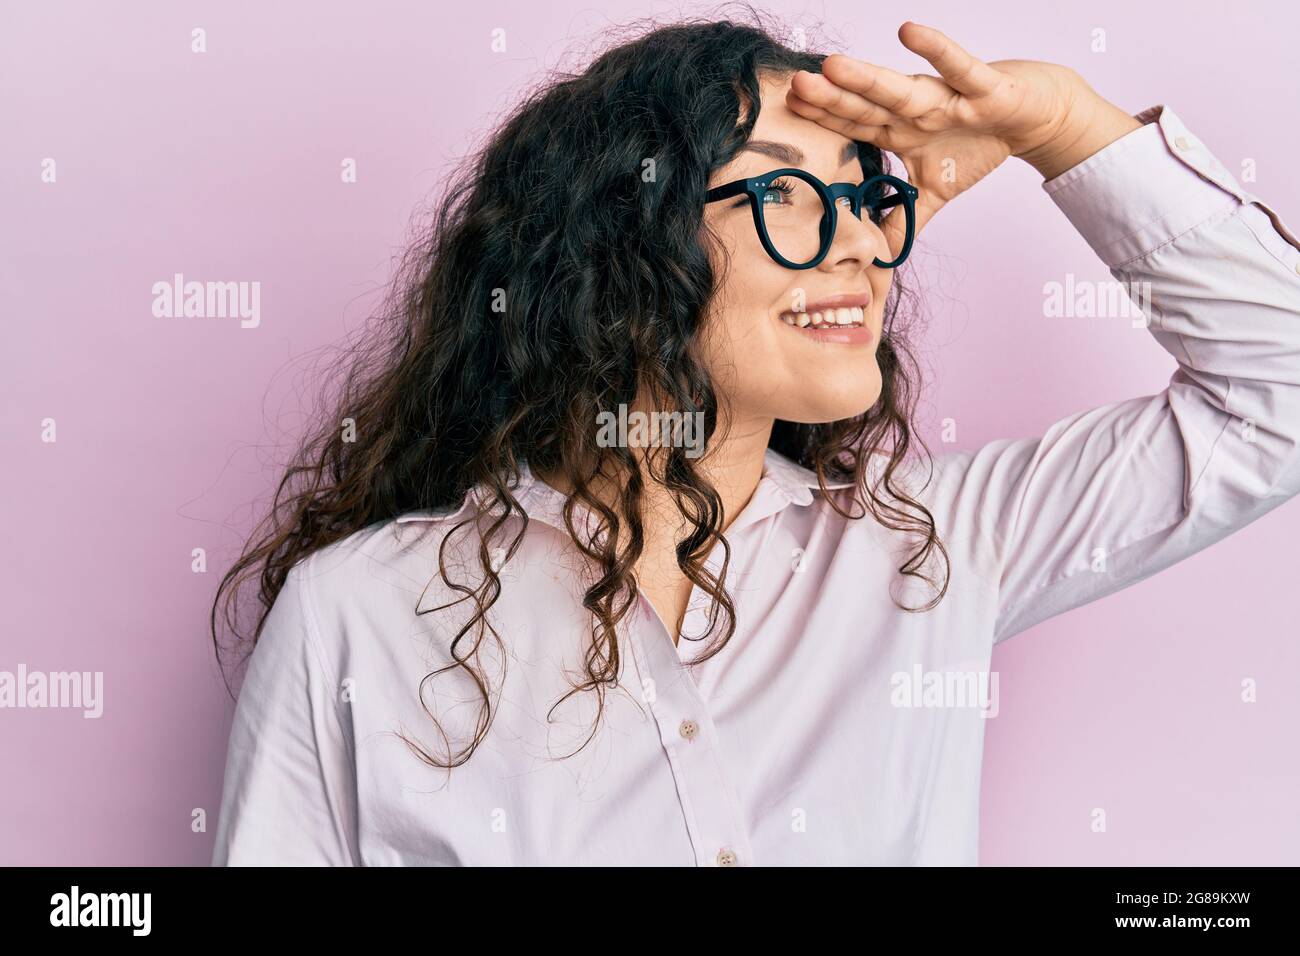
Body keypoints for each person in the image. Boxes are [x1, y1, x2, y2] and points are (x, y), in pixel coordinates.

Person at [210, 17, 1300, 865]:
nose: (863, 241)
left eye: (865, 196)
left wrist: (1059, 125)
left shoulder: (934, 548)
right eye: (787, 190)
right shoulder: (358, 614)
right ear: (620, 247)